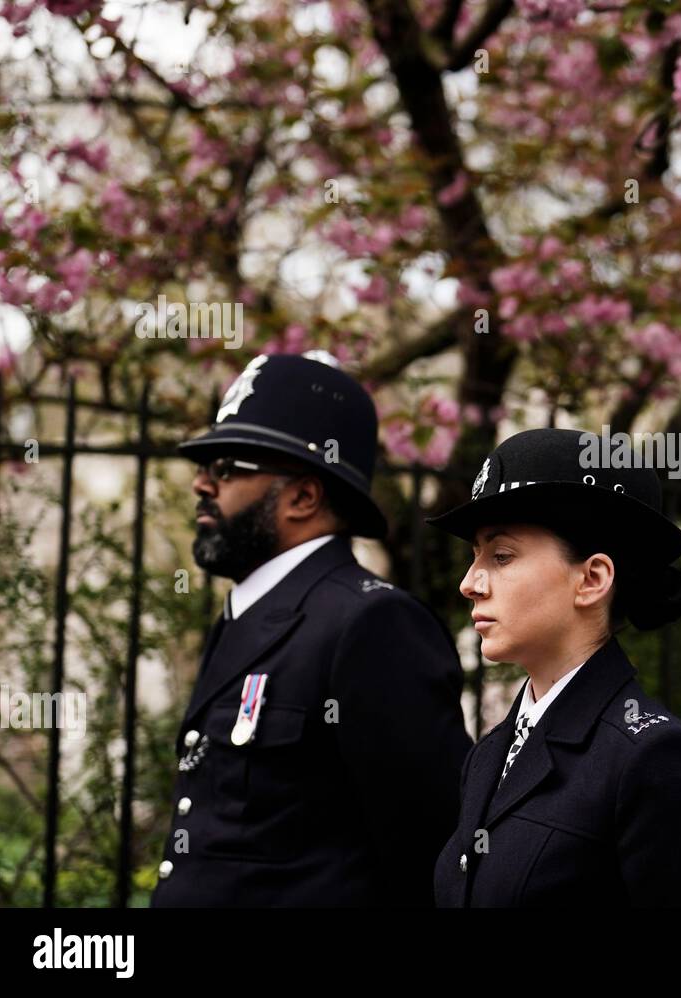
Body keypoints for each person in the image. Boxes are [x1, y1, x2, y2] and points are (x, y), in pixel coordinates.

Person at [152, 352, 470, 906]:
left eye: (227, 468)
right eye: (205, 468)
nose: (203, 484)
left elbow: (431, 848)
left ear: (303, 496)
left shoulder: (372, 623)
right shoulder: (248, 613)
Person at [428, 428, 681, 906]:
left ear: (593, 579)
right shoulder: (490, 754)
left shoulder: (654, 759)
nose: (469, 583)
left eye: (501, 556)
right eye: (473, 556)